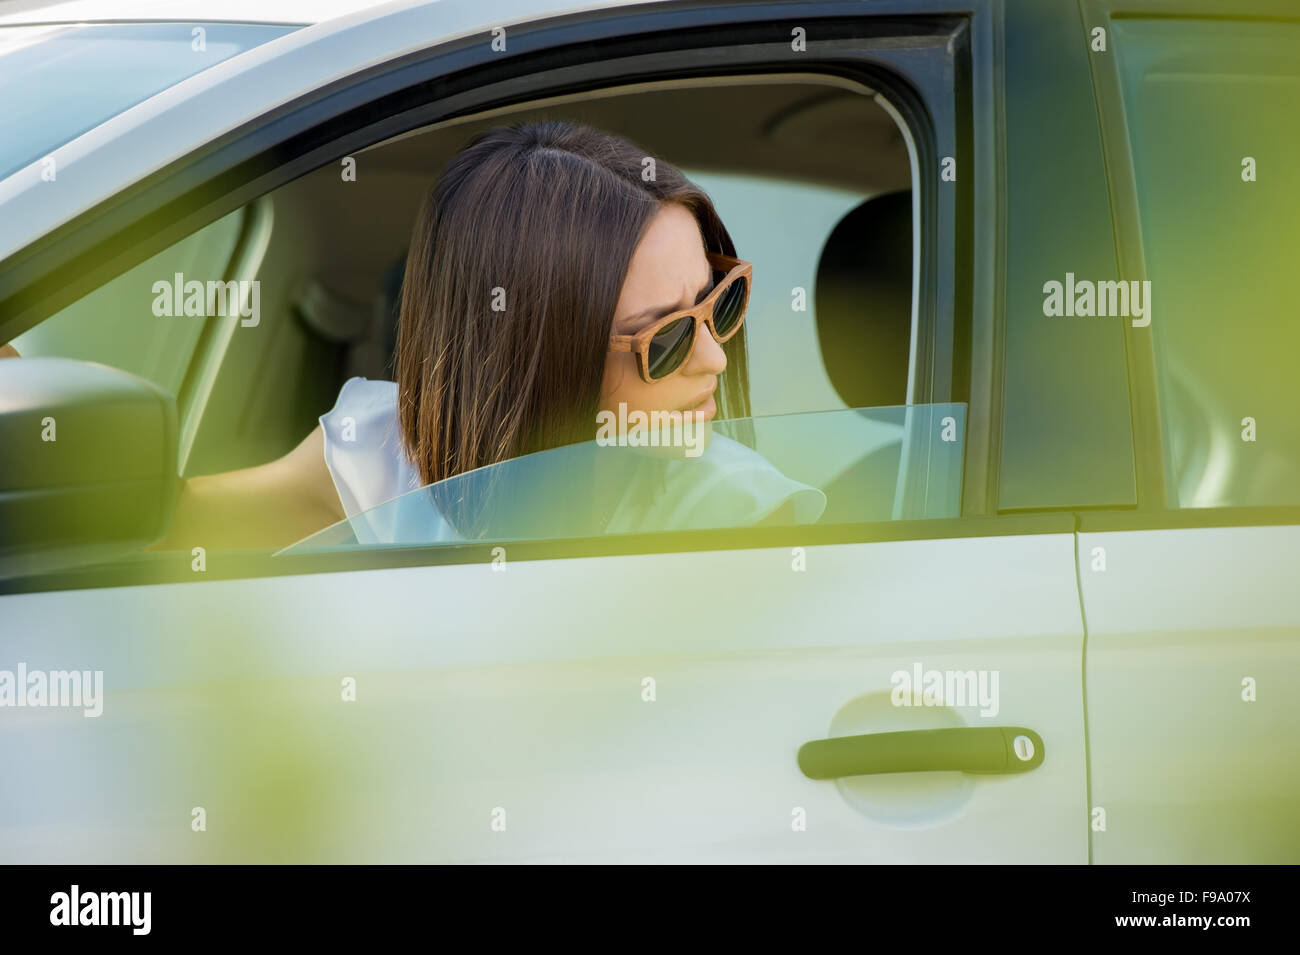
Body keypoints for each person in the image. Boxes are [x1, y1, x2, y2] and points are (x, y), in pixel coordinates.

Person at [4, 121, 824, 549]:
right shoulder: (393, 455)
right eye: (667, 341)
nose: (716, 355)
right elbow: (157, 535)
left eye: (720, 304)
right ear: (535, 356)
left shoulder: (742, 518)